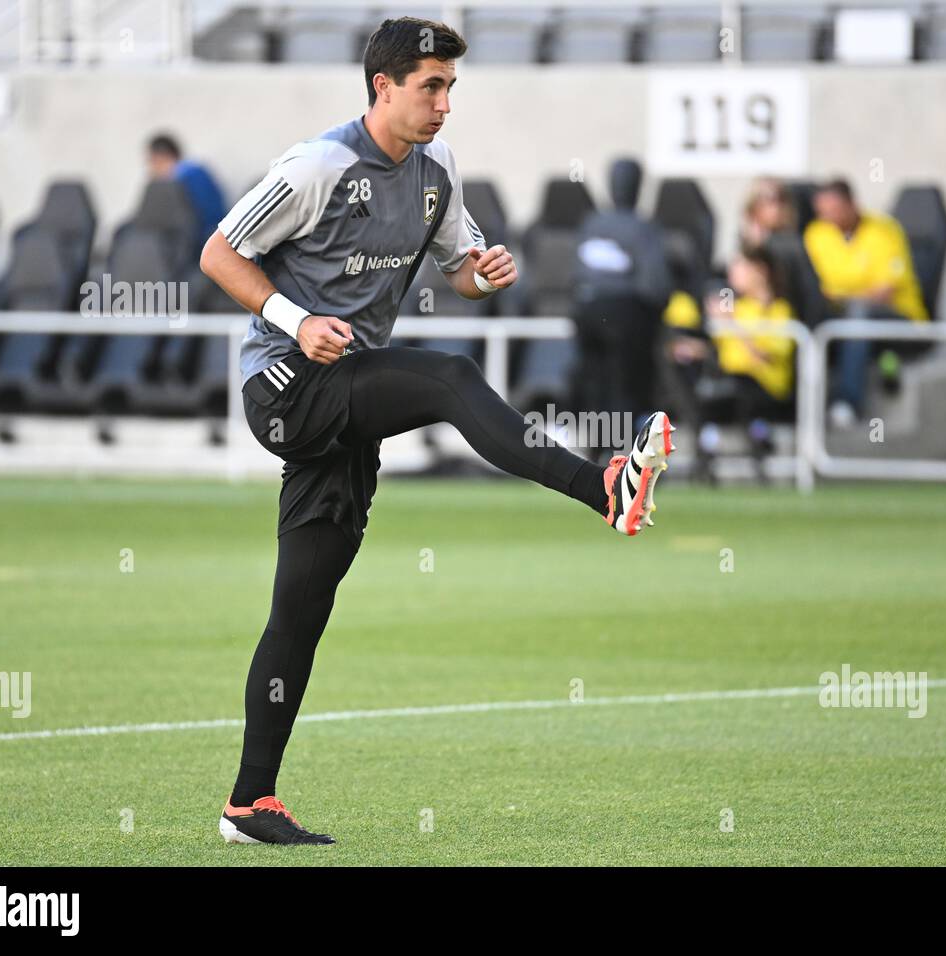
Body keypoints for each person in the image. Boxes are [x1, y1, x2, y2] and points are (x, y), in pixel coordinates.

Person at [198, 17, 675, 846]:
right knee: (450, 377)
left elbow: (459, 268)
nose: (446, 103)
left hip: (349, 400)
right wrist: (294, 317)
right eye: (431, 86)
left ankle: (250, 802)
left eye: (451, 86)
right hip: (285, 384)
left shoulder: (437, 170)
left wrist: (481, 277)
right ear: (383, 86)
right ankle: (602, 486)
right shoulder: (317, 165)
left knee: (301, 609)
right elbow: (218, 252)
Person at [802, 178, 927, 429]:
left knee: (858, 313)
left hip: (899, 317)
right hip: (839, 315)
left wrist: (841, 297)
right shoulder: (816, 234)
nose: (829, 218)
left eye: (834, 211)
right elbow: (812, 287)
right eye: (823, 212)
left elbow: (885, 291)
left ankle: (846, 404)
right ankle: (798, 410)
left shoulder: (884, 231)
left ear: (852, 204)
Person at [571, 157, 673, 456]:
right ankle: (620, 455)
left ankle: (596, 452)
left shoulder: (590, 224)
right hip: (627, 318)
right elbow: (656, 284)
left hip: (587, 313)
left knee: (595, 384)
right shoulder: (643, 228)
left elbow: (575, 276)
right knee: (624, 386)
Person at [670, 245, 797, 480]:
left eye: (740, 267)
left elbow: (765, 355)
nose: (733, 273)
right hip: (731, 383)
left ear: (760, 271)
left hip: (765, 386)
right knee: (698, 391)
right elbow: (717, 348)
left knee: (738, 386)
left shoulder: (779, 310)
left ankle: (758, 439)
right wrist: (686, 349)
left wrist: (733, 323)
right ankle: (706, 454)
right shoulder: (740, 308)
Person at [146, 133, 227, 262]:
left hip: (204, 248)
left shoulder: (180, 179)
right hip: (216, 241)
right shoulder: (196, 171)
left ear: (160, 158)